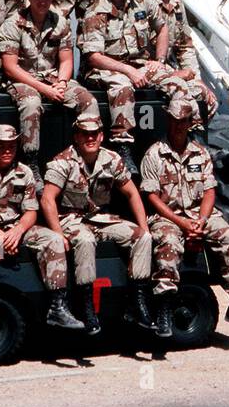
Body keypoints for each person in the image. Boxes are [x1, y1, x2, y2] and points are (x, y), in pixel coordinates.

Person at [81, 0, 214, 167]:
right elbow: (93, 57)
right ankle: (123, 147)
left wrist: (159, 60)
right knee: (123, 88)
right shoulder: (95, 10)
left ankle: (190, 135)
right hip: (106, 68)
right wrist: (128, 71)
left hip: (140, 65)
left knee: (178, 84)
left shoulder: (141, 0)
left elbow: (162, 27)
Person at [143, 97, 229, 336]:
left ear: (190, 123)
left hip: (200, 214)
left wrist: (201, 222)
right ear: (168, 120)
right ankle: (164, 309)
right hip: (168, 216)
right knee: (169, 244)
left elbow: (209, 191)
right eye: (174, 120)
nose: (178, 126)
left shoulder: (200, 153)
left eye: (183, 121)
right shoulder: (154, 154)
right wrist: (182, 223)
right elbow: (152, 197)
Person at [0, 125, 85, 338]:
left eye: (12, 146)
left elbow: (31, 212)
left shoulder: (24, 173)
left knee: (54, 239)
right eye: (1, 146)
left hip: (15, 229)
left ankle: (58, 307)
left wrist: (18, 230)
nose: (7, 150)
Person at [39, 112, 154, 334]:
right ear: (77, 137)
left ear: (101, 136)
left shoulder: (110, 159)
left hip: (100, 217)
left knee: (144, 238)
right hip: (70, 220)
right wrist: (57, 234)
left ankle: (137, 303)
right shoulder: (62, 162)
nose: (90, 138)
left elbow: (132, 193)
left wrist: (144, 226)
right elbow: (47, 199)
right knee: (85, 240)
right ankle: (87, 307)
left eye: (94, 134)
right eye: (84, 134)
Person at [0, 0, 99, 183]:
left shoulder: (60, 22)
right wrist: (45, 90)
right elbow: (10, 67)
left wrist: (62, 82)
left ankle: (86, 157)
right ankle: (32, 161)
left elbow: (66, 60)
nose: (42, 1)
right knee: (31, 103)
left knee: (89, 100)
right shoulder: (13, 24)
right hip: (23, 80)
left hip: (53, 78)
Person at [144, 0, 219, 127]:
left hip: (168, 69)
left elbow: (184, 46)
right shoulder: (141, 1)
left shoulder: (177, 5)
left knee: (208, 99)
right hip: (147, 69)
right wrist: (177, 74)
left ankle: (192, 145)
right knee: (183, 96)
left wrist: (196, 77)